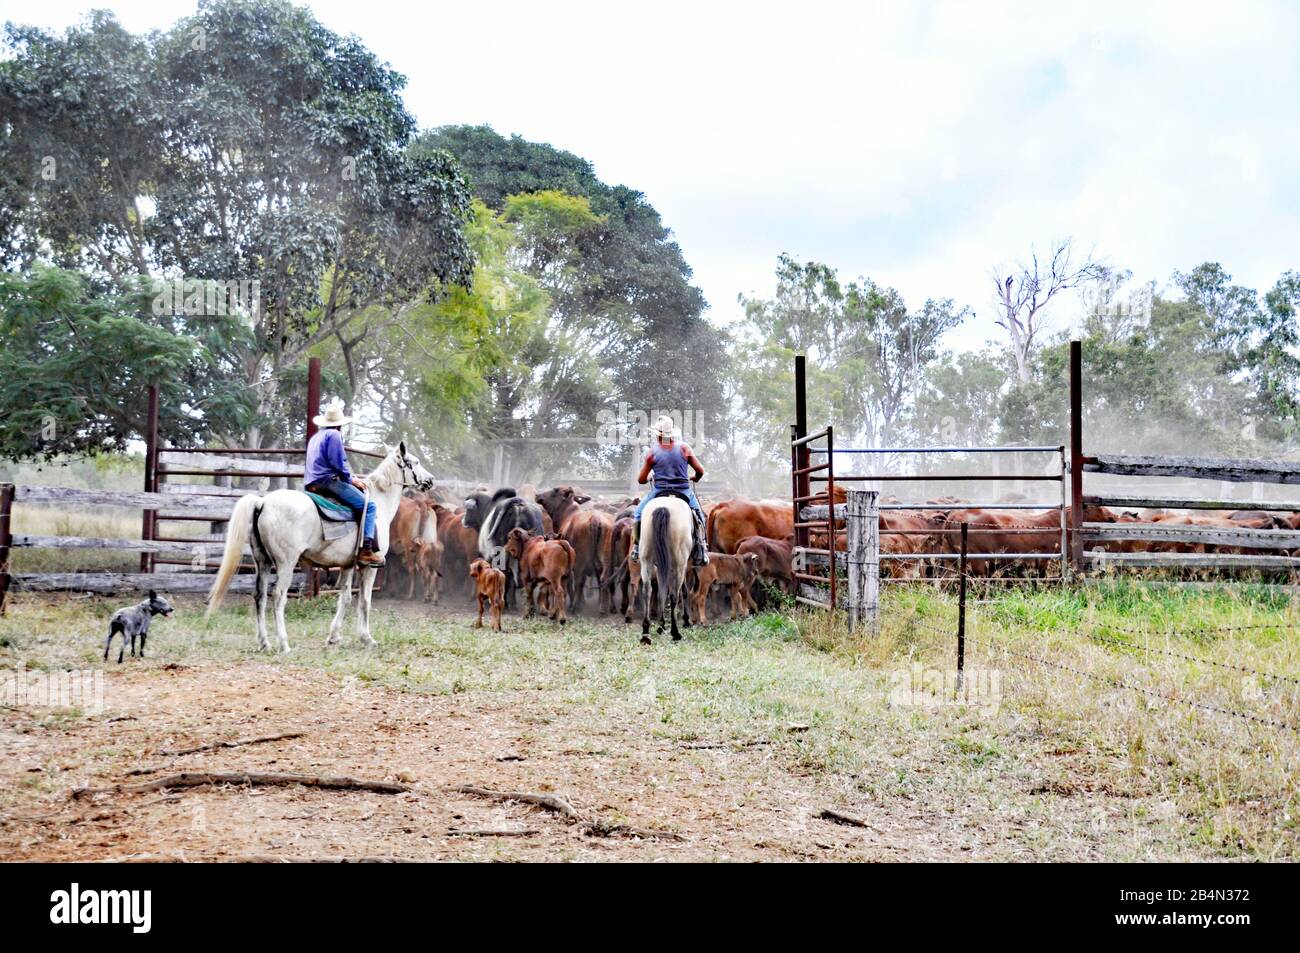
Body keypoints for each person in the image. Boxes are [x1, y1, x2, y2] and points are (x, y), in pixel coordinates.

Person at [304, 399, 383, 567]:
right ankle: (366, 551)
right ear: (340, 425)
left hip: (311, 482)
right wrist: (352, 480)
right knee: (369, 507)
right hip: (327, 482)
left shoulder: (316, 437)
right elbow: (338, 464)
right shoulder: (334, 435)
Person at [630, 415, 709, 566]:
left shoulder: (652, 452)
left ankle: (636, 548)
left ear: (658, 434)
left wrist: (650, 478)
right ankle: (701, 549)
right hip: (683, 491)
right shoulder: (685, 448)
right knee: (700, 516)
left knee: (638, 514)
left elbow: (640, 480)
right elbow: (700, 470)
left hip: (659, 491)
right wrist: (695, 478)